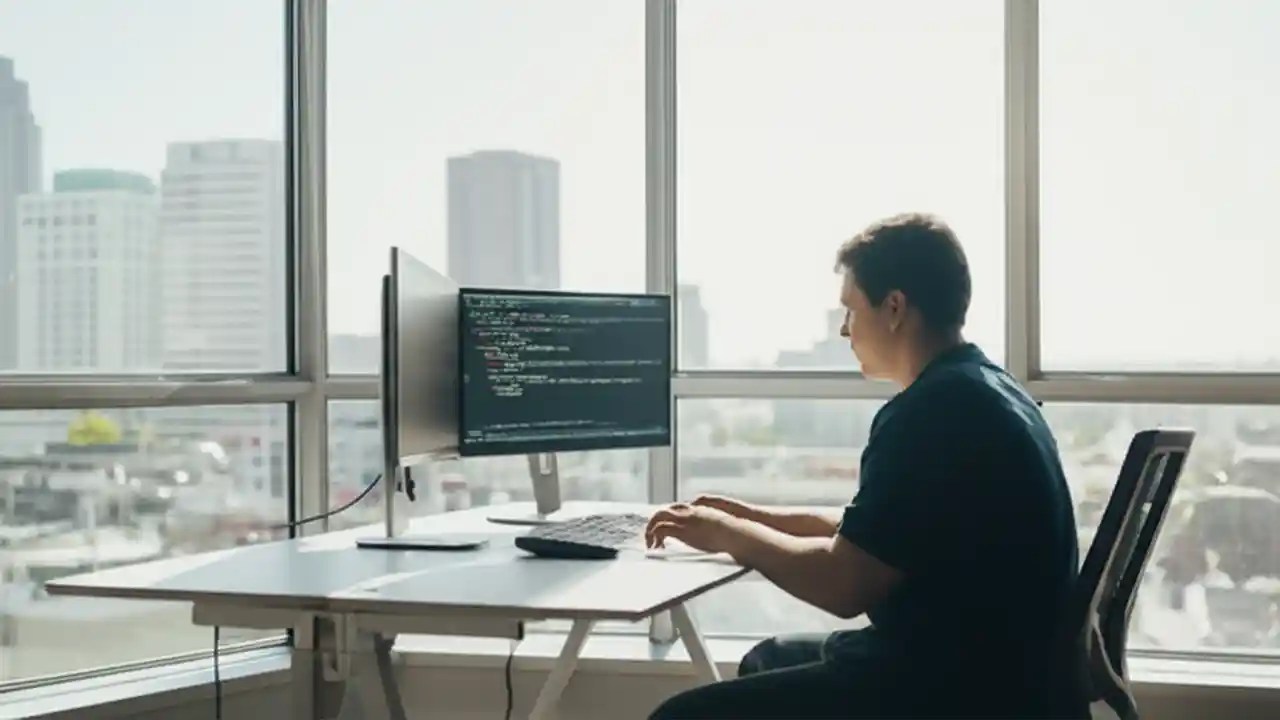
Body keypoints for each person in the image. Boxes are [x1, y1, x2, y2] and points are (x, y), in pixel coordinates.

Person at [646, 213, 1083, 719]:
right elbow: (873, 534)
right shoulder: (986, 389)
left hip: (952, 689)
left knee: (676, 718)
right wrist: (745, 518)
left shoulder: (930, 412)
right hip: (1006, 673)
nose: (844, 328)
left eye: (851, 309)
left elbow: (844, 583)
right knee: (767, 660)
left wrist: (727, 534)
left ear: (894, 307)